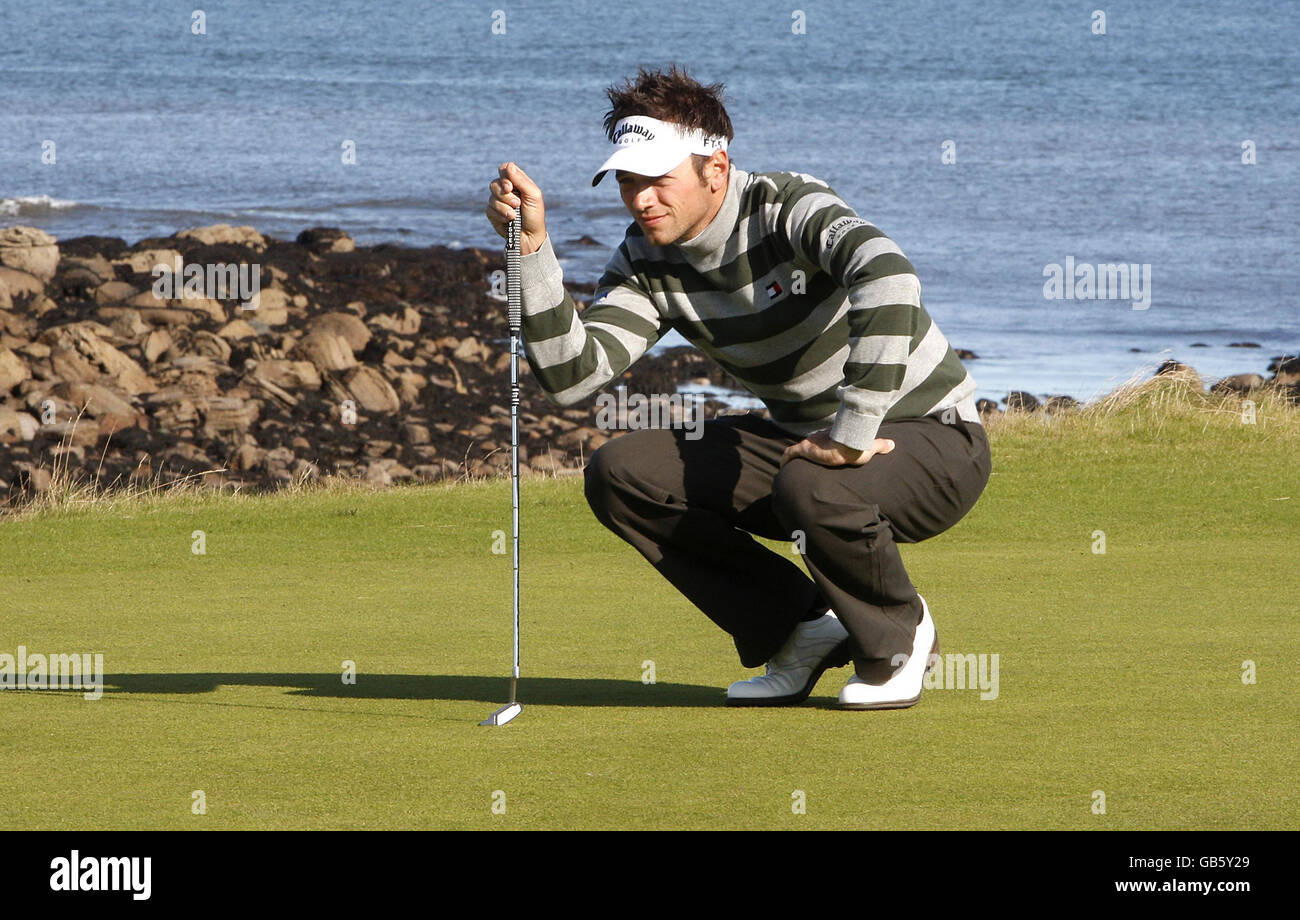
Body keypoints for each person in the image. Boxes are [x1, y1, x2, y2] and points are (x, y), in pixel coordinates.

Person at [484, 65, 990, 710]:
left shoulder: (787, 206)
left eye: (659, 180)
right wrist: (532, 250)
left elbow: (889, 278)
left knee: (814, 481)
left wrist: (851, 430)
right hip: (803, 442)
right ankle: (802, 626)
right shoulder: (646, 258)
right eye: (629, 182)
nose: (642, 200)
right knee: (622, 473)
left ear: (715, 168)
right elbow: (574, 374)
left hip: (934, 439)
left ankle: (897, 635)